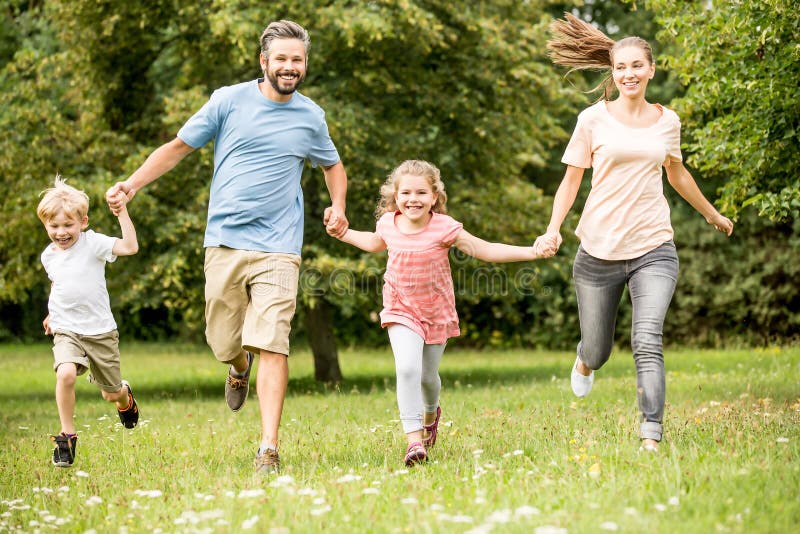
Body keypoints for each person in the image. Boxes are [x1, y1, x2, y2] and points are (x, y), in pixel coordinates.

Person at [106, 20, 348, 474]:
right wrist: (133, 184)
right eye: (281, 59)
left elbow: (332, 166)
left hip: (280, 246)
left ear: (305, 64)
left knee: (274, 341)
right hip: (224, 242)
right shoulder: (227, 100)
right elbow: (178, 147)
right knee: (222, 341)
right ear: (264, 62)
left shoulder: (311, 116)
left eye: (297, 60)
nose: (290, 67)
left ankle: (268, 448)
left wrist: (338, 206)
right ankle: (238, 366)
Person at [535, 14, 734, 452]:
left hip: (653, 247)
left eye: (636, 66)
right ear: (612, 71)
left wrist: (712, 214)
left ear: (651, 70)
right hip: (598, 252)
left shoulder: (668, 121)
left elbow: (677, 173)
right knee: (598, 349)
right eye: (620, 67)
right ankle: (586, 361)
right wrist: (552, 230)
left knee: (647, 339)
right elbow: (570, 181)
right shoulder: (592, 120)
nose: (628, 74)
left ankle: (651, 435)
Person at [328, 159, 542, 466]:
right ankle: (414, 442)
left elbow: (485, 249)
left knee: (428, 377)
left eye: (420, 193)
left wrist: (531, 252)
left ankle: (431, 413)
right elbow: (374, 242)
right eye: (405, 193)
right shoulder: (389, 222)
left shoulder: (444, 227)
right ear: (395, 196)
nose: (412, 199)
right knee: (407, 370)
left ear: (434, 197)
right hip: (400, 308)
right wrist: (343, 233)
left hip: (436, 310)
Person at [37, 176, 140, 468]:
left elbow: (130, 247)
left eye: (67, 225)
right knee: (65, 374)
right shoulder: (49, 256)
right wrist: (51, 313)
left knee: (110, 393)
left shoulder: (93, 243)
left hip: (100, 332)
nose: (60, 232)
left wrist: (122, 214)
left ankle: (124, 397)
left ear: (83, 222)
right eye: (53, 226)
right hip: (66, 328)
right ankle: (67, 436)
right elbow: (61, 285)